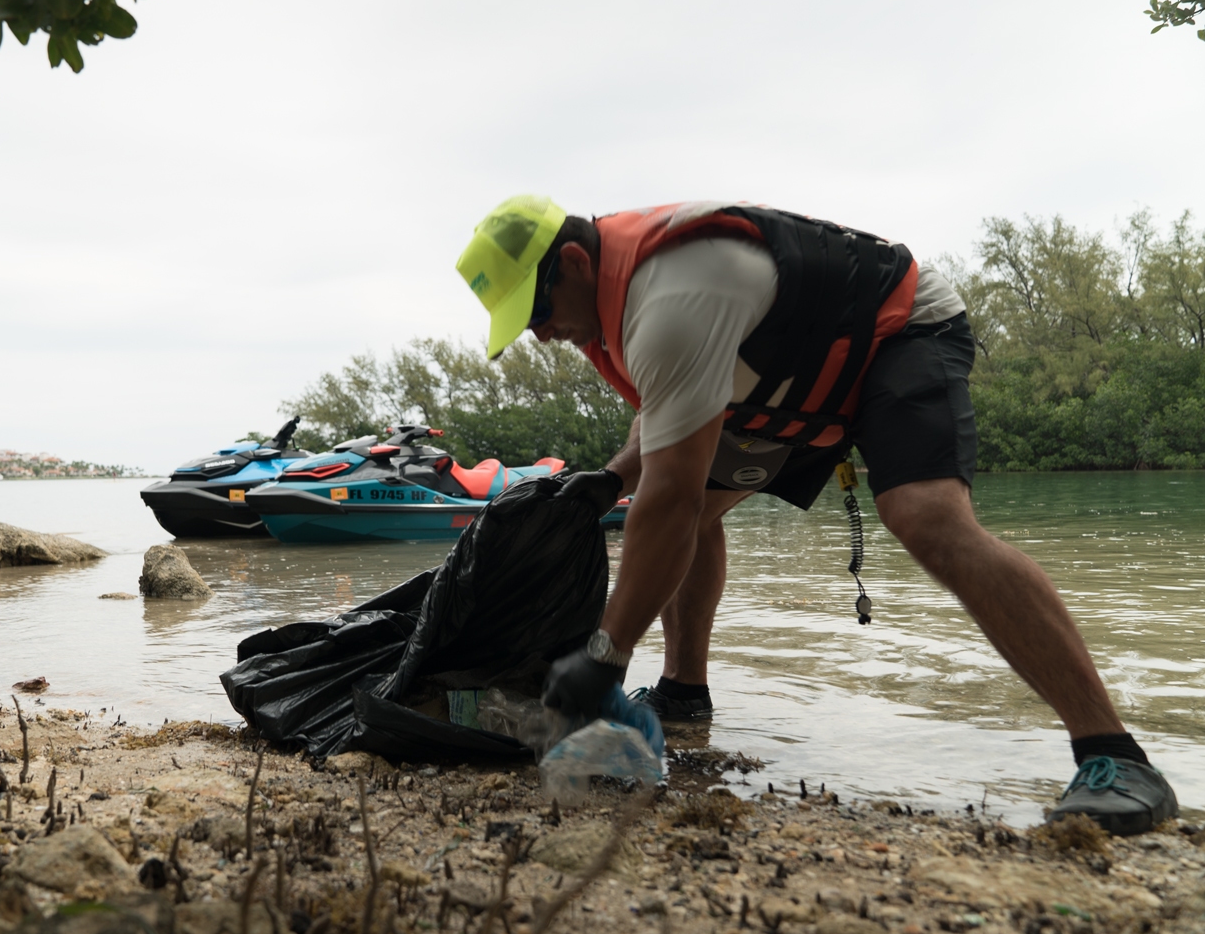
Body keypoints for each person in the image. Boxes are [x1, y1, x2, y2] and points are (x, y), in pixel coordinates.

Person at [455, 196, 1178, 837]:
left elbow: (668, 495)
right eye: (524, 325)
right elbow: (669, 426)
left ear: (576, 262)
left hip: (896, 335)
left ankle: (1115, 755)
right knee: (693, 509)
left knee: (925, 517)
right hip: (792, 387)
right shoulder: (617, 311)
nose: (539, 335)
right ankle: (683, 691)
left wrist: (605, 654)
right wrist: (610, 479)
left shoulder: (668, 301)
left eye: (538, 313)